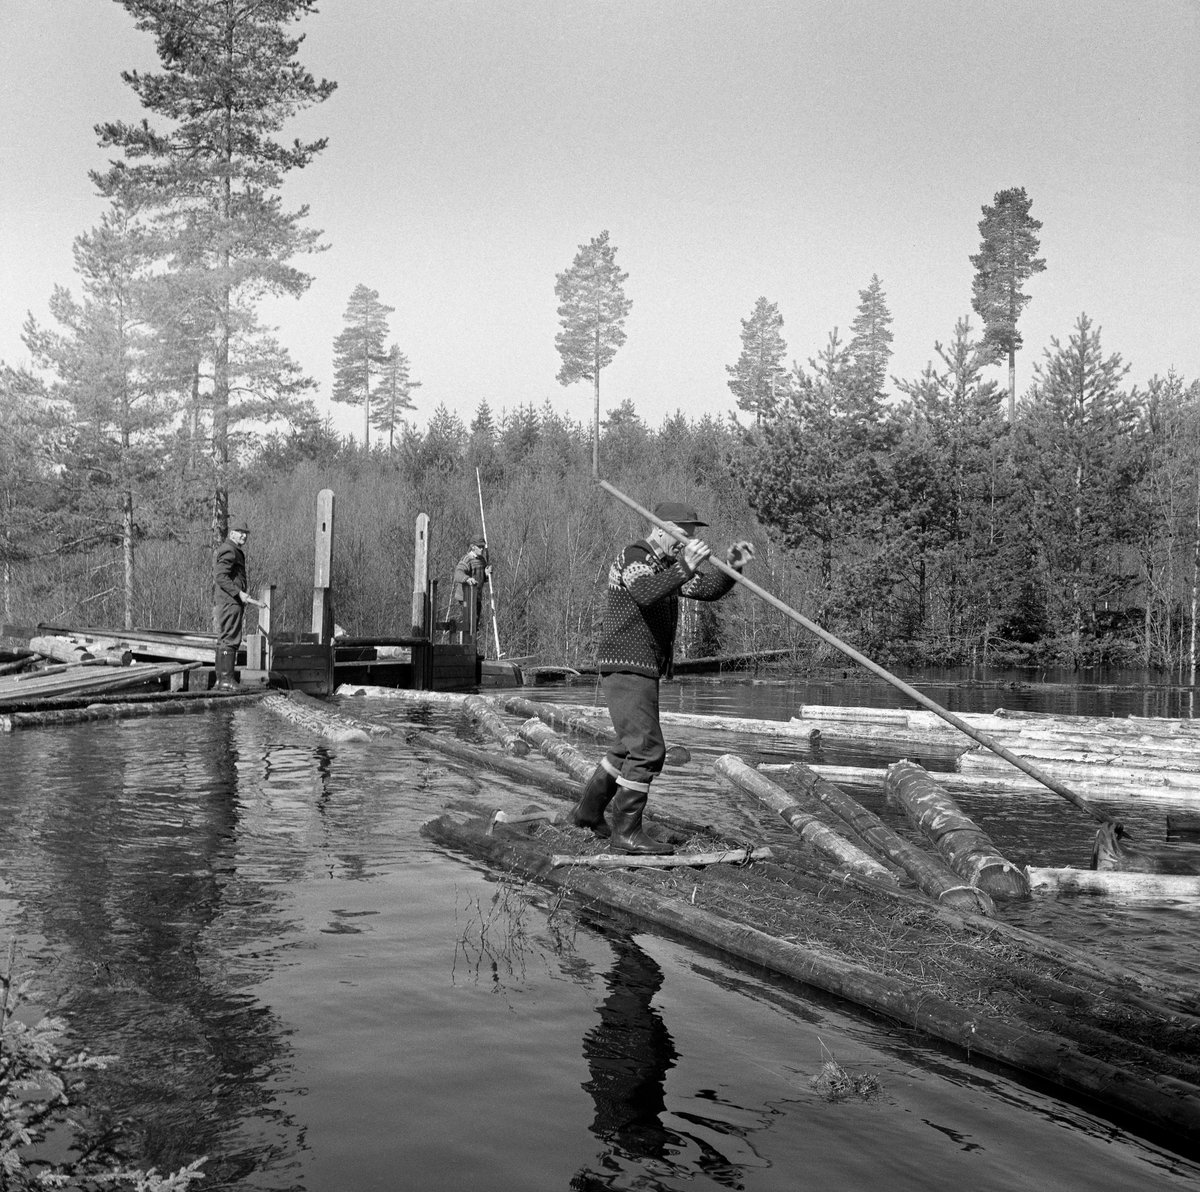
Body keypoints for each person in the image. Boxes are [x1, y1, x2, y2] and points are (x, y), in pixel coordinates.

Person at [571, 501, 754, 854]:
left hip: (640, 667)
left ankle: (588, 814)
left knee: (628, 747)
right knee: (649, 750)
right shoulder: (635, 556)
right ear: (660, 528)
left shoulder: (667, 566)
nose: (686, 543)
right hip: (626, 666)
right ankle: (625, 834)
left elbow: (705, 589)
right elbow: (644, 592)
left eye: (691, 537)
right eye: (683, 535)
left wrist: (733, 567)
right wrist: (685, 566)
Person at [213, 515, 266, 690]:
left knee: (225, 638)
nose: (244, 536)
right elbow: (220, 576)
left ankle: (221, 681)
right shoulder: (229, 550)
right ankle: (226, 681)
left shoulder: (231, 549)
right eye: (240, 533)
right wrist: (239, 593)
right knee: (230, 638)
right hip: (231, 601)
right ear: (232, 533)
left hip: (229, 601)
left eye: (246, 533)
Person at [452, 535, 489, 643]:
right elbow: (457, 574)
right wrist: (467, 579)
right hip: (465, 598)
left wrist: (486, 574)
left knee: (475, 621)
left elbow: (482, 579)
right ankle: (465, 647)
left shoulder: (482, 560)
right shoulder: (467, 559)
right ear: (473, 547)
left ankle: (472, 648)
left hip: (476, 597)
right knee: (468, 621)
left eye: (483, 546)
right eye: (479, 546)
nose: (482, 549)